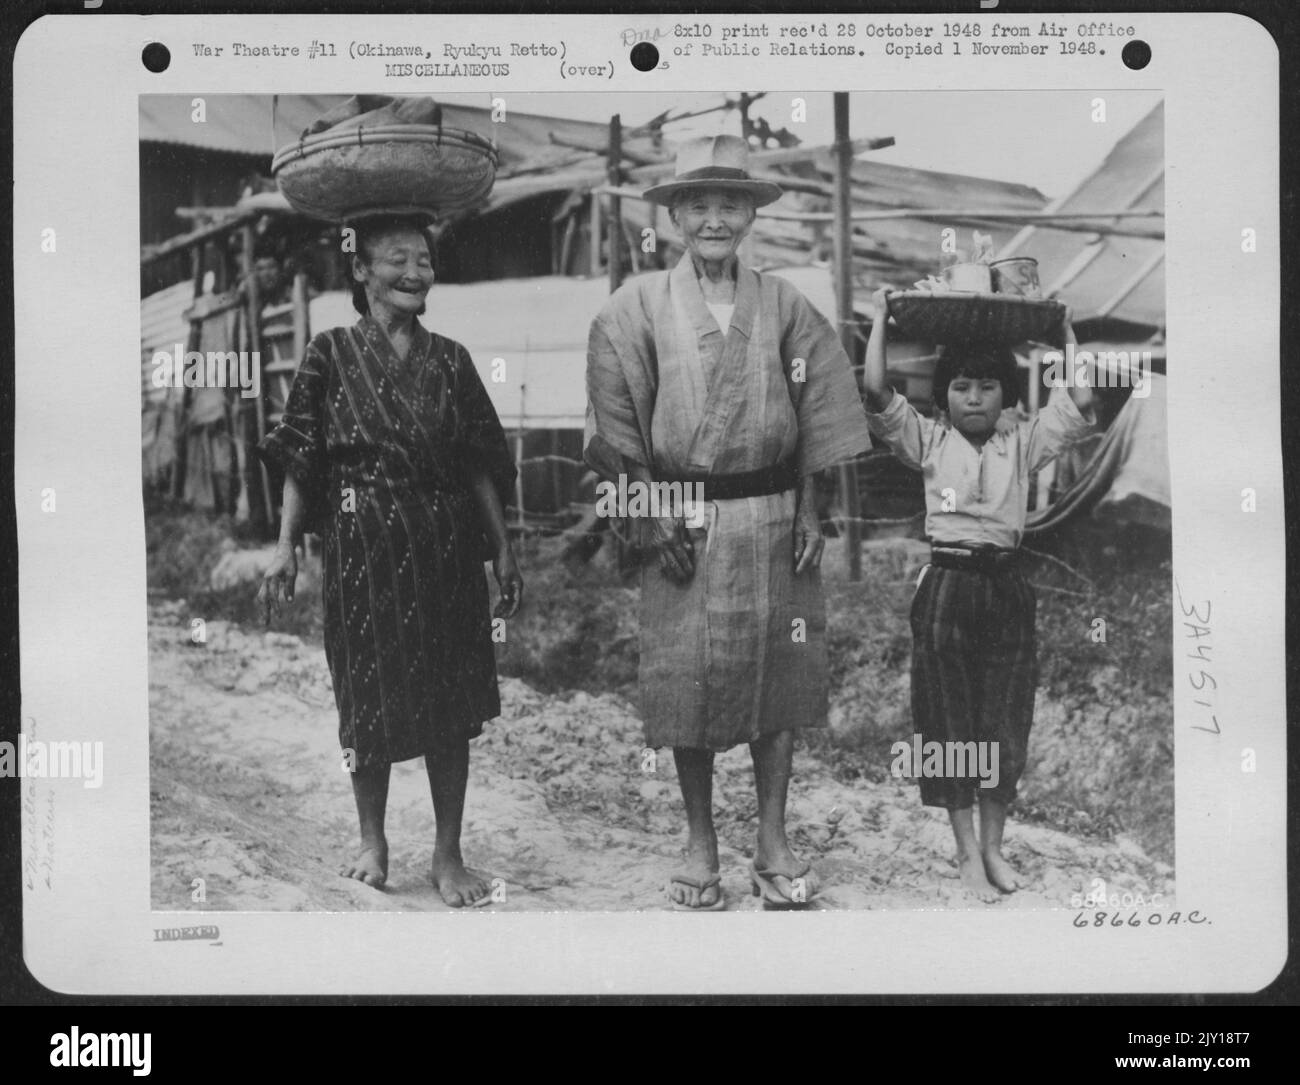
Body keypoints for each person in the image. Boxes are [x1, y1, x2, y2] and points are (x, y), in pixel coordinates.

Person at [585, 135, 873, 909]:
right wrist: (647, 517)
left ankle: (773, 841)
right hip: (680, 523)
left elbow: (822, 405)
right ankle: (699, 842)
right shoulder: (633, 308)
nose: (715, 219)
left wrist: (815, 505)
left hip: (776, 516)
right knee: (686, 679)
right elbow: (614, 426)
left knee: (782, 677)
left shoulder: (783, 305)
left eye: (730, 203)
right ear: (675, 216)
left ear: (750, 214)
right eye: (699, 204)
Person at [256, 213, 523, 908]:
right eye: (398, 260)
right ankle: (372, 842)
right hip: (361, 549)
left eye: (424, 260)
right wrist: (285, 545)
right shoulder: (330, 353)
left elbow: (480, 466)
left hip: (443, 549)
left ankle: (448, 854)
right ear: (362, 271)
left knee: (452, 697)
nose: (414, 272)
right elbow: (300, 460)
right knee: (366, 692)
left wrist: (502, 548)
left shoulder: (453, 361)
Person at [862, 285, 1097, 899]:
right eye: (962, 386)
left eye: (988, 386)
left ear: (1007, 397)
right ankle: (965, 851)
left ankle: (994, 849)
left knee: (1004, 720)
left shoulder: (1022, 445)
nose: (974, 397)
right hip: (947, 586)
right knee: (949, 722)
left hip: (1007, 588)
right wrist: (883, 319)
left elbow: (1081, 396)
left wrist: (1066, 331)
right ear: (943, 395)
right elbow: (875, 392)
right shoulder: (929, 441)